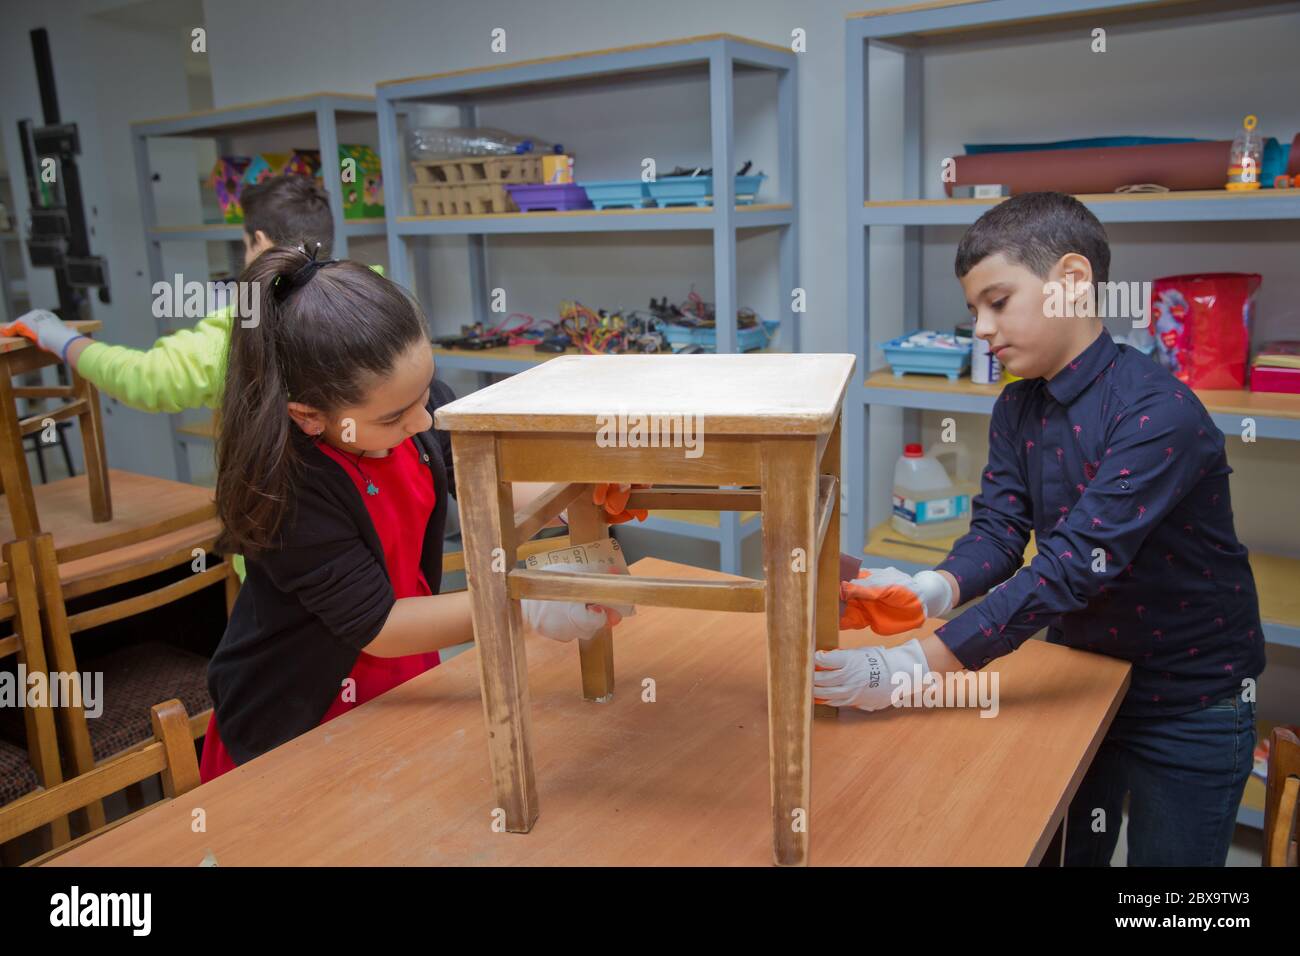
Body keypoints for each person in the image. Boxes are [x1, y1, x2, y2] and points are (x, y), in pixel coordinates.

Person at [819, 191, 1265, 866]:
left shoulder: (1159, 414)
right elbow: (1000, 532)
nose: (980, 328)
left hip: (1187, 701)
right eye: (974, 309)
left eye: (997, 302)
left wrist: (914, 666)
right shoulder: (1018, 404)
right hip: (1081, 680)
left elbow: (1067, 568)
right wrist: (929, 591)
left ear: (1072, 283)